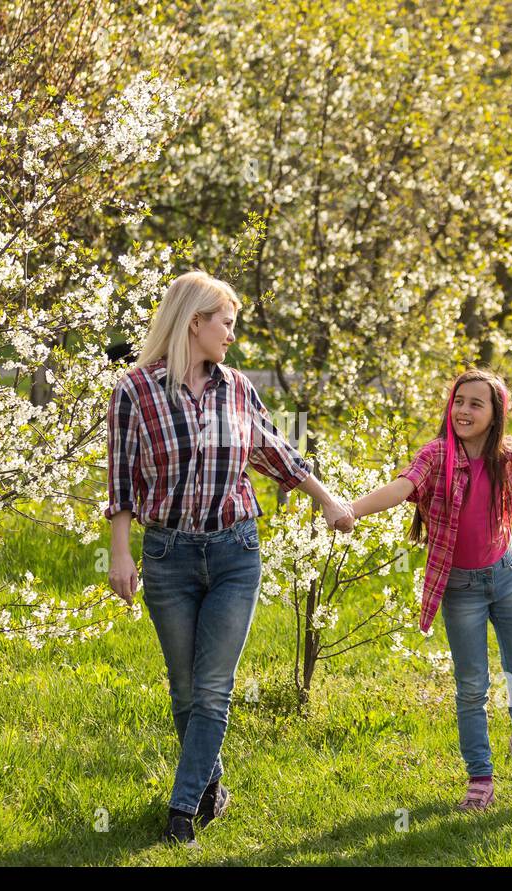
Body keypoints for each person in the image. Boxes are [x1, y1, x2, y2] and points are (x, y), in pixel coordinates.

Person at [104, 270, 355, 847]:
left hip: (235, 549)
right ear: (195, 321)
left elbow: (276, 450)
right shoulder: (134, 391)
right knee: (185, 688)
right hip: (167, 553)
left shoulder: (237, 388)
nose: (231, 337)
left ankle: (181, 810)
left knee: (214, 686)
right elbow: (120, 482)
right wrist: (120, 555)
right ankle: (211, 784)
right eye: (226, 324)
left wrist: (329, 500)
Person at [350, 368, 512, 810]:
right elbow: (401, 487)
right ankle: (480, 776)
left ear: (496, 414)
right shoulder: (435, 455)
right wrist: (351, 509)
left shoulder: (504, 455)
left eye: (476, 403)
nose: (464, 410)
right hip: (461, 587)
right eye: (459, 401)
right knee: (470, 685)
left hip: (506, 575)